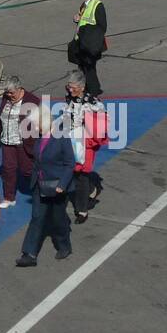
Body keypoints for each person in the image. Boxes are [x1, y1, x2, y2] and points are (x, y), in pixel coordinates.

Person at [15, 105, 77, 266]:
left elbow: (70, 163)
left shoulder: (61, 137)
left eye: (36, 124)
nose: (34, 128)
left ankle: (64, 245)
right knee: (37, 217)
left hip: (57, 188)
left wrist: (62, 185)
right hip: (40, 185)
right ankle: (29, 254)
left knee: (58, 219)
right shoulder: (40, 138)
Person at [64, 72, 107, 223]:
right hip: (72, 138)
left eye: (73, 88)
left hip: (86, 142)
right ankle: (91, 189)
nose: (70, 90)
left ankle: (82, 210)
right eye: (69, 87)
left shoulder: (92, 102)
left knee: (82, 173)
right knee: (74, 171)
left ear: (82, 87)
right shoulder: (70, 98)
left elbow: (101, 119)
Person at [0, 77, 39, 208]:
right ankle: (9, 198)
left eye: (12, 92)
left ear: (19, 89)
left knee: (27, 170)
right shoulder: (6, 99)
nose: (9, 95)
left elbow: (39, 123)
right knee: (8, 169)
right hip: (7, 141)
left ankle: (41, 192)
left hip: (23, 143)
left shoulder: (32, 101)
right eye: (7, 92)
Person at [70, 0, 107, 97]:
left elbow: (102, 26)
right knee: (83, 67)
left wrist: (89, 35)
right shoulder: (84, 5)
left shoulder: (97, 5)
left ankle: (93, 91)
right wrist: (77, 19)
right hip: (81, 42)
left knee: (89, 68)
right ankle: (87, 89)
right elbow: (82, 20)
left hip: (90, 43)